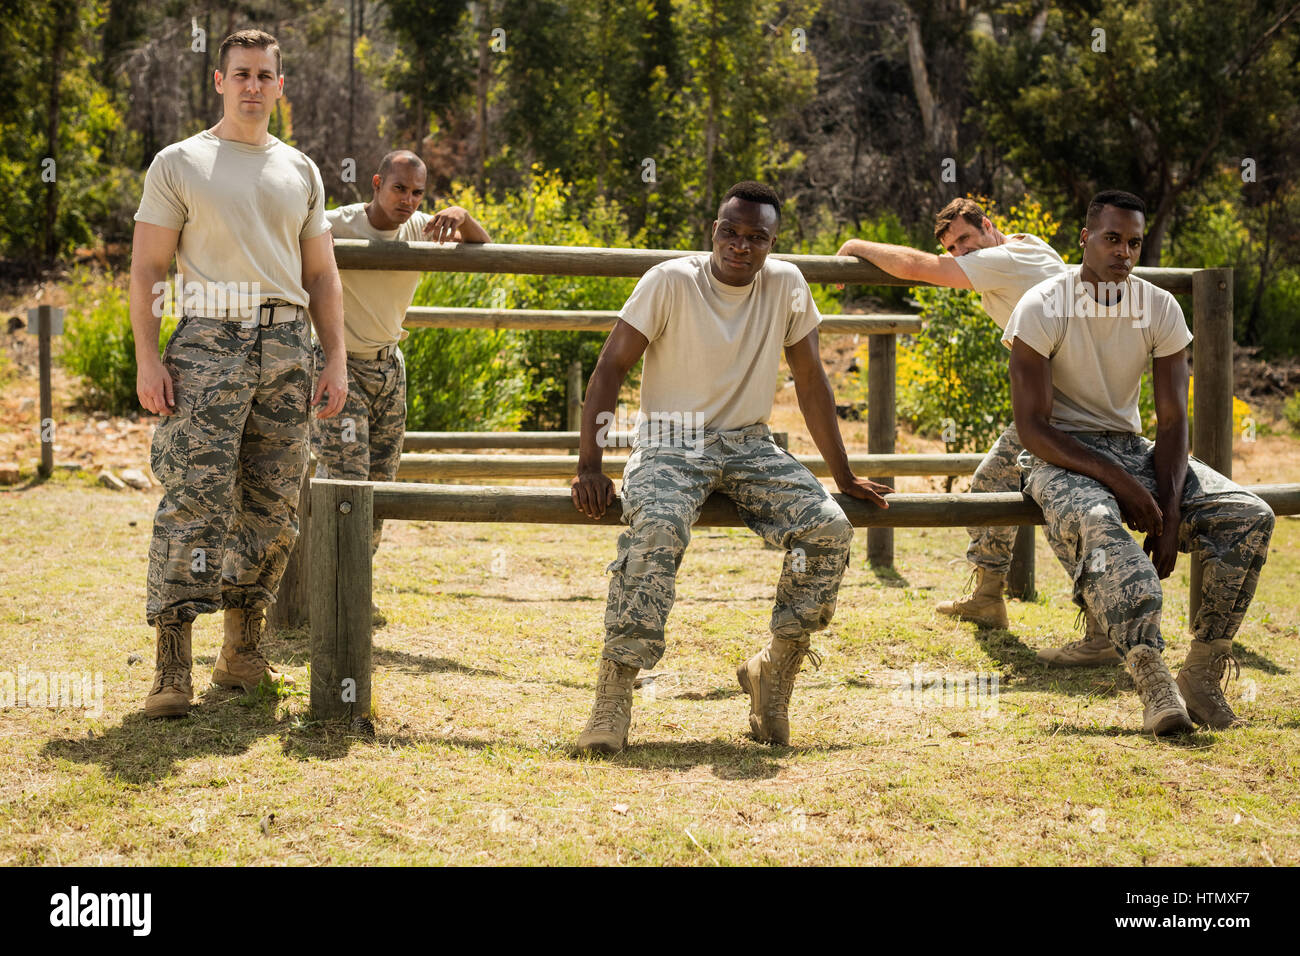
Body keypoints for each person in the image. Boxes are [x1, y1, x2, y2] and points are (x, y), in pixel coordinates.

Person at [570, 181, 892, 753]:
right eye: (731, 232)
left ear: (772, 244)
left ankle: (775, 671)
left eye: (756, 237)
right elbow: (609, 369)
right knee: (659, 528)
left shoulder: (787, 285)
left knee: (829, 527)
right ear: (713, 231)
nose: (740, 246)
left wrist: (841, 476)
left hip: (748, 443)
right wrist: (590, 465)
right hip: (670, 440)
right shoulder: (670, 281)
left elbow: (813, 381)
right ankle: (614, 692)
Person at [130, 29, 348, 718]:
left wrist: (335, 356)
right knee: (194, 499)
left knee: (274, 504)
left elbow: (321, 274)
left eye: (265, 75)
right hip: (206, 344)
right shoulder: (181, 162)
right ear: (219, 82)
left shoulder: (301, 170)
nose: (253, 85)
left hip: (289, 346)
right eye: (241, 74)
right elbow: (147, 269)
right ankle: (171, 670)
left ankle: (241, 651)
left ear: (280, 86)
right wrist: (147, 355)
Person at [1005, 189, 1274, 734]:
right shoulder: (1042, 306)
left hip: (1132, 448)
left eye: (1133, 242)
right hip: (1060, 455)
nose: (1123, 252)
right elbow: (1033, 427)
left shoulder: (1158, 307)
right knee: (1104, 528)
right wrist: (1121, 482)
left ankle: (1200, 676)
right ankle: (1154, 684)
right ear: (1085, 238)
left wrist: (1169, 508)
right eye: (1111, 239)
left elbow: (1173, 423)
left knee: (1250, 515)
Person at [838, 201, 1118, 666]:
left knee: (1062, 506)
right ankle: (989, 597)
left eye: (965, 240)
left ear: (989, 227)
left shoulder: (1002, 260)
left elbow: (915, 267)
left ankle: (1103, 630)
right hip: (1059, 401)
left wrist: (853, 245)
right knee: (991, 482)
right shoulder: (1025, 247)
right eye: (951, 248)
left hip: (1070, 409)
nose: (959, 253)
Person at [313, 149, 490, 619]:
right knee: (345, 480)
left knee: (380, 485)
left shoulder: (425, 227)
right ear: (375, 182)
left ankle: (353, 586)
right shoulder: (337, 223)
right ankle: (328, 592)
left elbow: (484, 244)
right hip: (337, 364)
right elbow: (287, 241)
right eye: (399, 189)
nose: (408, 200)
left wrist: (463, 216)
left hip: (390, 367)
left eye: (417, 192)